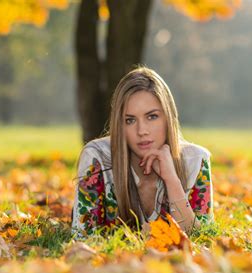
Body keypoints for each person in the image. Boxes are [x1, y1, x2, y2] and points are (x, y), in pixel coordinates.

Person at [71, 66, 213, 237]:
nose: (142, 130)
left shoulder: (196, 161)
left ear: (168, 118)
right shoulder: (97, 158)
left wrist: (172, 180)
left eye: (152, 116)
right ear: (120, 125)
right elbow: (83, 237)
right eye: (130, 120)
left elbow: (201, 237)